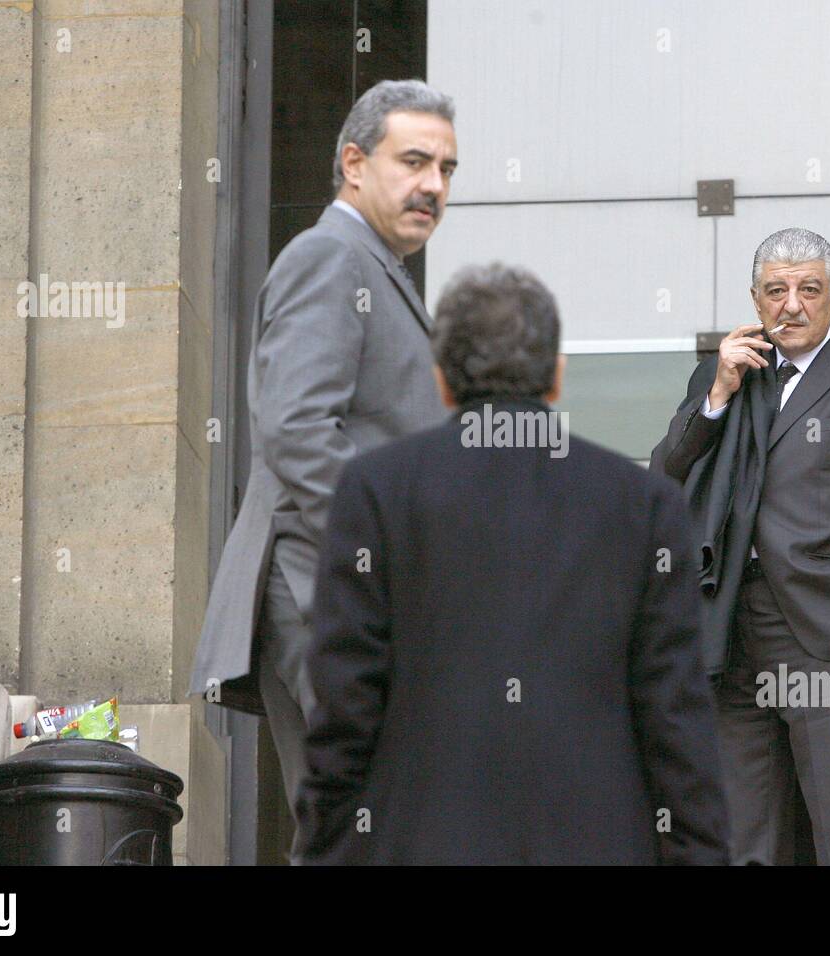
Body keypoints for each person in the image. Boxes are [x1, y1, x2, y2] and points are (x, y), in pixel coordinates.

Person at [298, 264, 729, 865]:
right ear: (555, 377)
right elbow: (675, 719)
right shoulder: (645, 505)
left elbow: (344, 708)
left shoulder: (374, 490)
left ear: (442, 381)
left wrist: (322, 851)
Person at [187, 79, 459, 863]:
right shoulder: (331, 258)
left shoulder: (376, 272)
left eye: (446, 168)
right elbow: (298, 429)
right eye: (414, 161)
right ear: (353, 162)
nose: (433, 186)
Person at [650, 227, 830, 865]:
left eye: (809, 289)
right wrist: (718, 394)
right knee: (743, 832)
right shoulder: (722, 374)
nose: (792, 305)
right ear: (756, 301)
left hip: (826, 627)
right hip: (726, 622)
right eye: (776, 291)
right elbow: (664, 475)